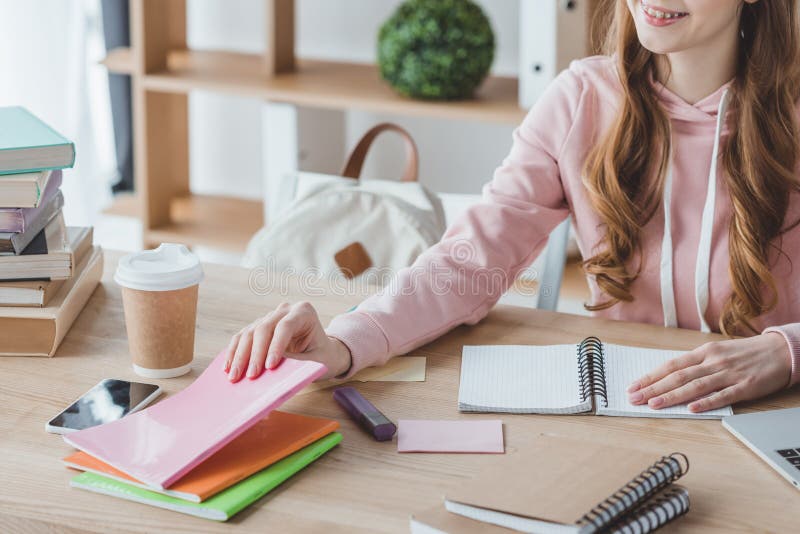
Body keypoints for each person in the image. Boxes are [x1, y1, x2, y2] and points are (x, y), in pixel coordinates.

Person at [224, 0, 800, 413]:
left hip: (778, 406)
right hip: (629, 404)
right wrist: (346, 343)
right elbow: (471, 260)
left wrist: (785, 353)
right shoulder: (581, 99)